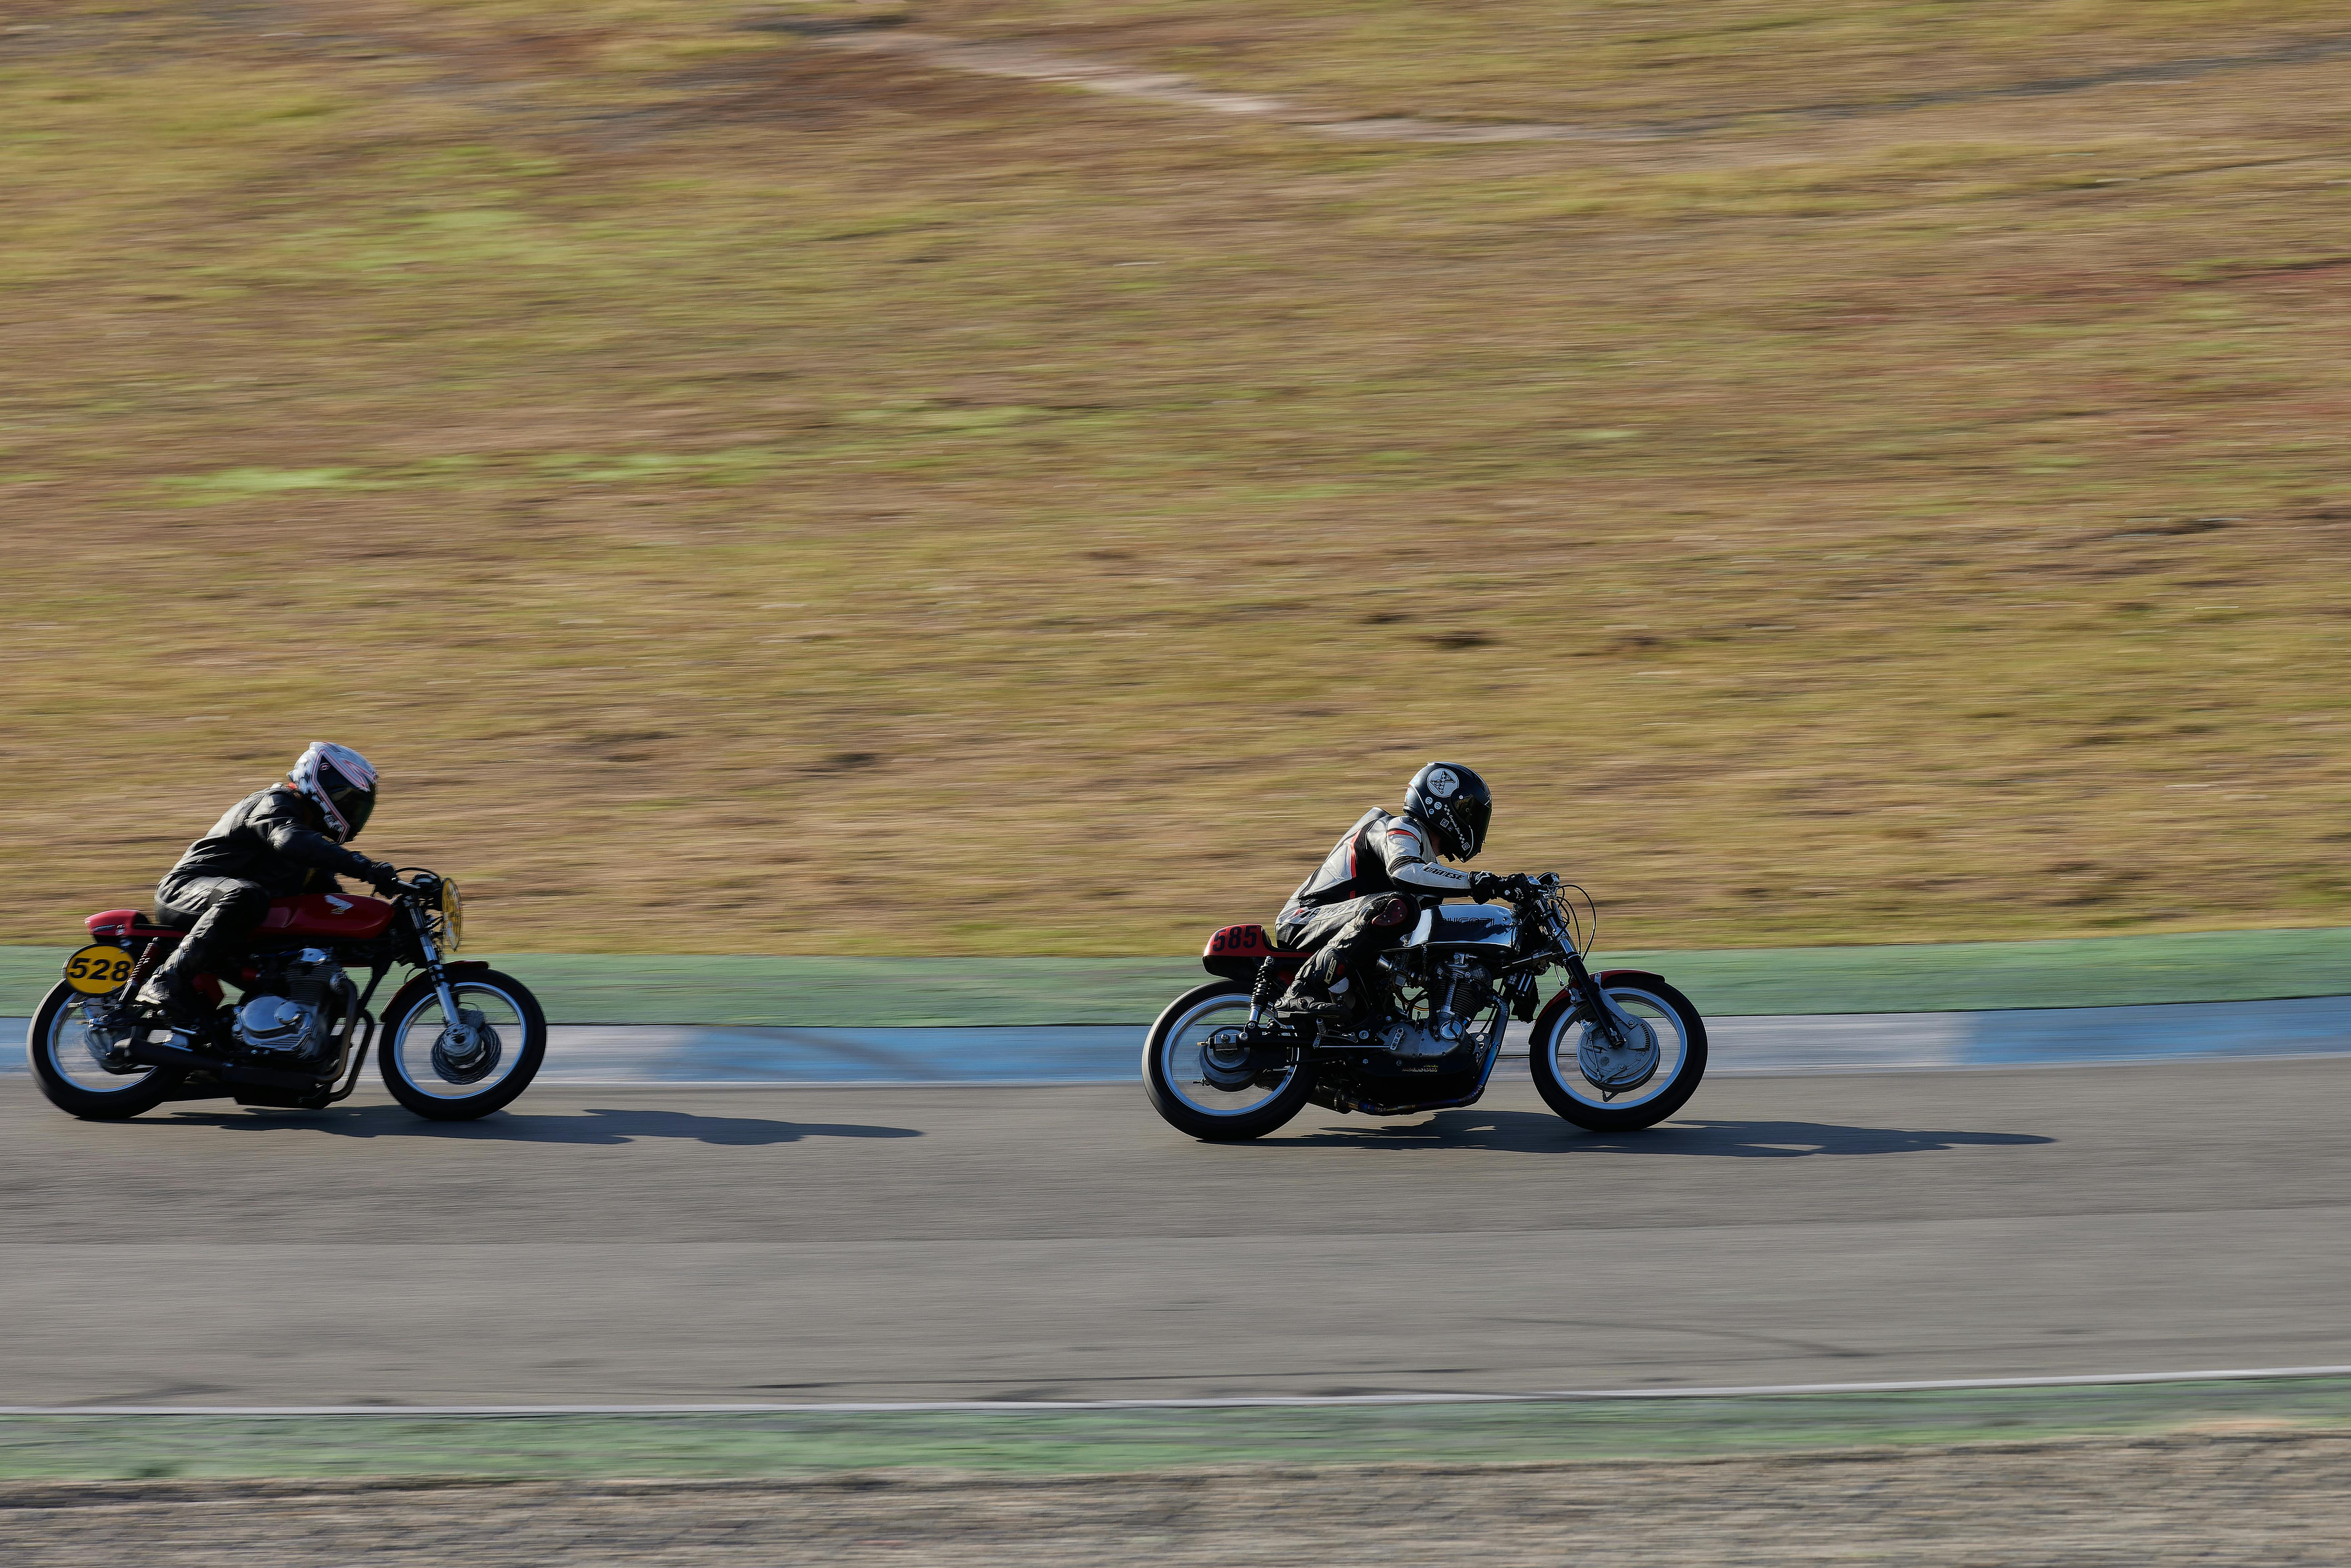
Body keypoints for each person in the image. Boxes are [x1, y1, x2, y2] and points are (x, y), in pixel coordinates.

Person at [134, 742, 406, 1024]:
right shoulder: (275, 803)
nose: (353, 813)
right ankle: (164, 980)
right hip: (185, 890)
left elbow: (330, 905)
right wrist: (366, 868)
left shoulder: (310, 847)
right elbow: (287, 839)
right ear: (321, 783)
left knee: (317, 977)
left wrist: (388, 931)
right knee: (245, 894)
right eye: (349, 801)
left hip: (241, 917)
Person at [1273, 761, 1506, 1019]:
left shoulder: (1430, 874)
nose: (1474, 821)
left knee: (1391, 1036)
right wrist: (1479, 882)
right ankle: (1302, 989)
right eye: (1469, 810)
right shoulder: (1395, 827)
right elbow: (1403, 870)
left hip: (1356, 958)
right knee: (1395, 904)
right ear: (1441, 804)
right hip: (1306, 919)